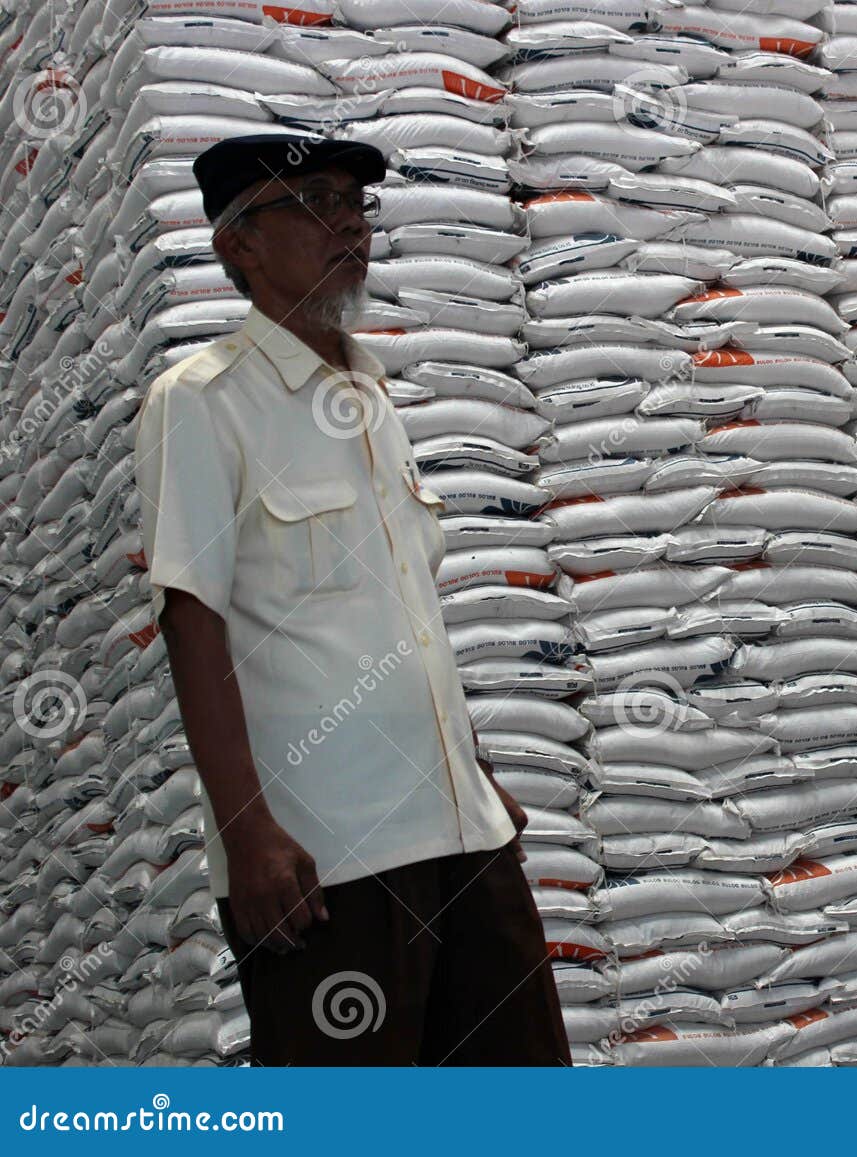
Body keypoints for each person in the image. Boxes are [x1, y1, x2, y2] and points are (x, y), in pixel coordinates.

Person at [132, 134, 570, 1066]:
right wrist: (248, 833)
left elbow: (404, 615)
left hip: (461, 837)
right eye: (314, 204)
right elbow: (191, 616)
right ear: (237, 245)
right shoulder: (203, 400)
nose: (347, 226)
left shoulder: (369, 394)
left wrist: (474, 771)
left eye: (353, 206)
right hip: (325, 859)